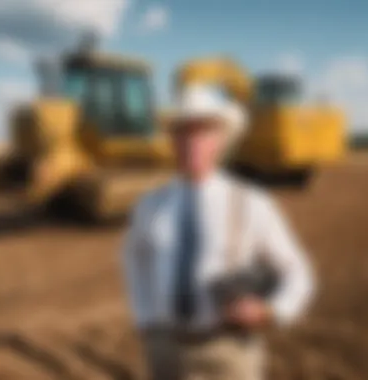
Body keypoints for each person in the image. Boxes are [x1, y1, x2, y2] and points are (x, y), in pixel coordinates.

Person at [122, 84, 315, 380]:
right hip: (166, 350)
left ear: (221, 140)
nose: (192, 142)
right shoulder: (150, 205)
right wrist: (145, 317)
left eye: (203, 132)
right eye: (182, 132)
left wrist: (270, 311)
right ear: (171, 139)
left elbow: (298, 272)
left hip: (230, 351)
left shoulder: (252, 203)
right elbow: (135, 260)